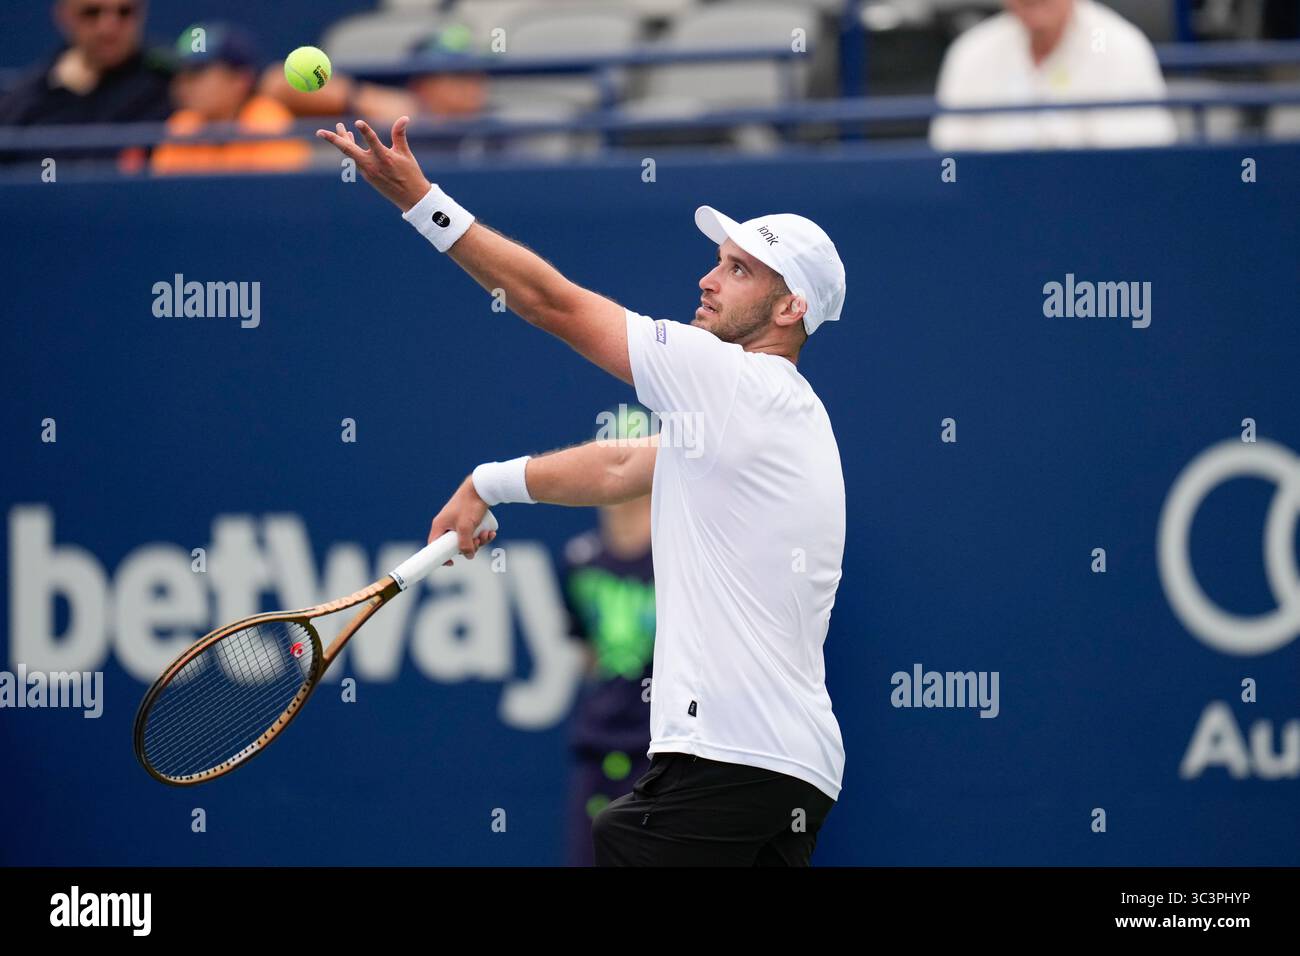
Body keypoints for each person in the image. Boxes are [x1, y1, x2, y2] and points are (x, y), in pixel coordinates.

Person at [316, 114, 846, 866]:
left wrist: (421, 201)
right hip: (790, 769)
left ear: (790, 309)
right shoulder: (768, 417)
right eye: (718, 260)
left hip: (731, 751)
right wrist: (487, 483)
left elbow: (551, 303)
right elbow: (621, 469)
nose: (707, 277)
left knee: (619, 839)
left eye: (739, 270)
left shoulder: (738, 382)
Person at [562, 404, 656, 868]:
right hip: (598, 754)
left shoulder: (685, 560)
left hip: (667, 761)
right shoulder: (580, 562)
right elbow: (589, 653)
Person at [929, 0, 1178, 151]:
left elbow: (1144, 161)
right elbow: (947, 160)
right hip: (994, 219)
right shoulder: (971, 53)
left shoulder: (1119, 47)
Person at [150, 24, 310, 176]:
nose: (182, 84)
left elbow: (275, 195)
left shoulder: (270, 123)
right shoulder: (182, 125)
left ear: (240, 80)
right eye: (180, 73)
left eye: (196, 73)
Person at [0, 0, 171, 127]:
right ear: (64, 16)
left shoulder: (172, 84)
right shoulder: (30, 97)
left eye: (124, 12)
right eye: (92, 12)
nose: (108, 27)